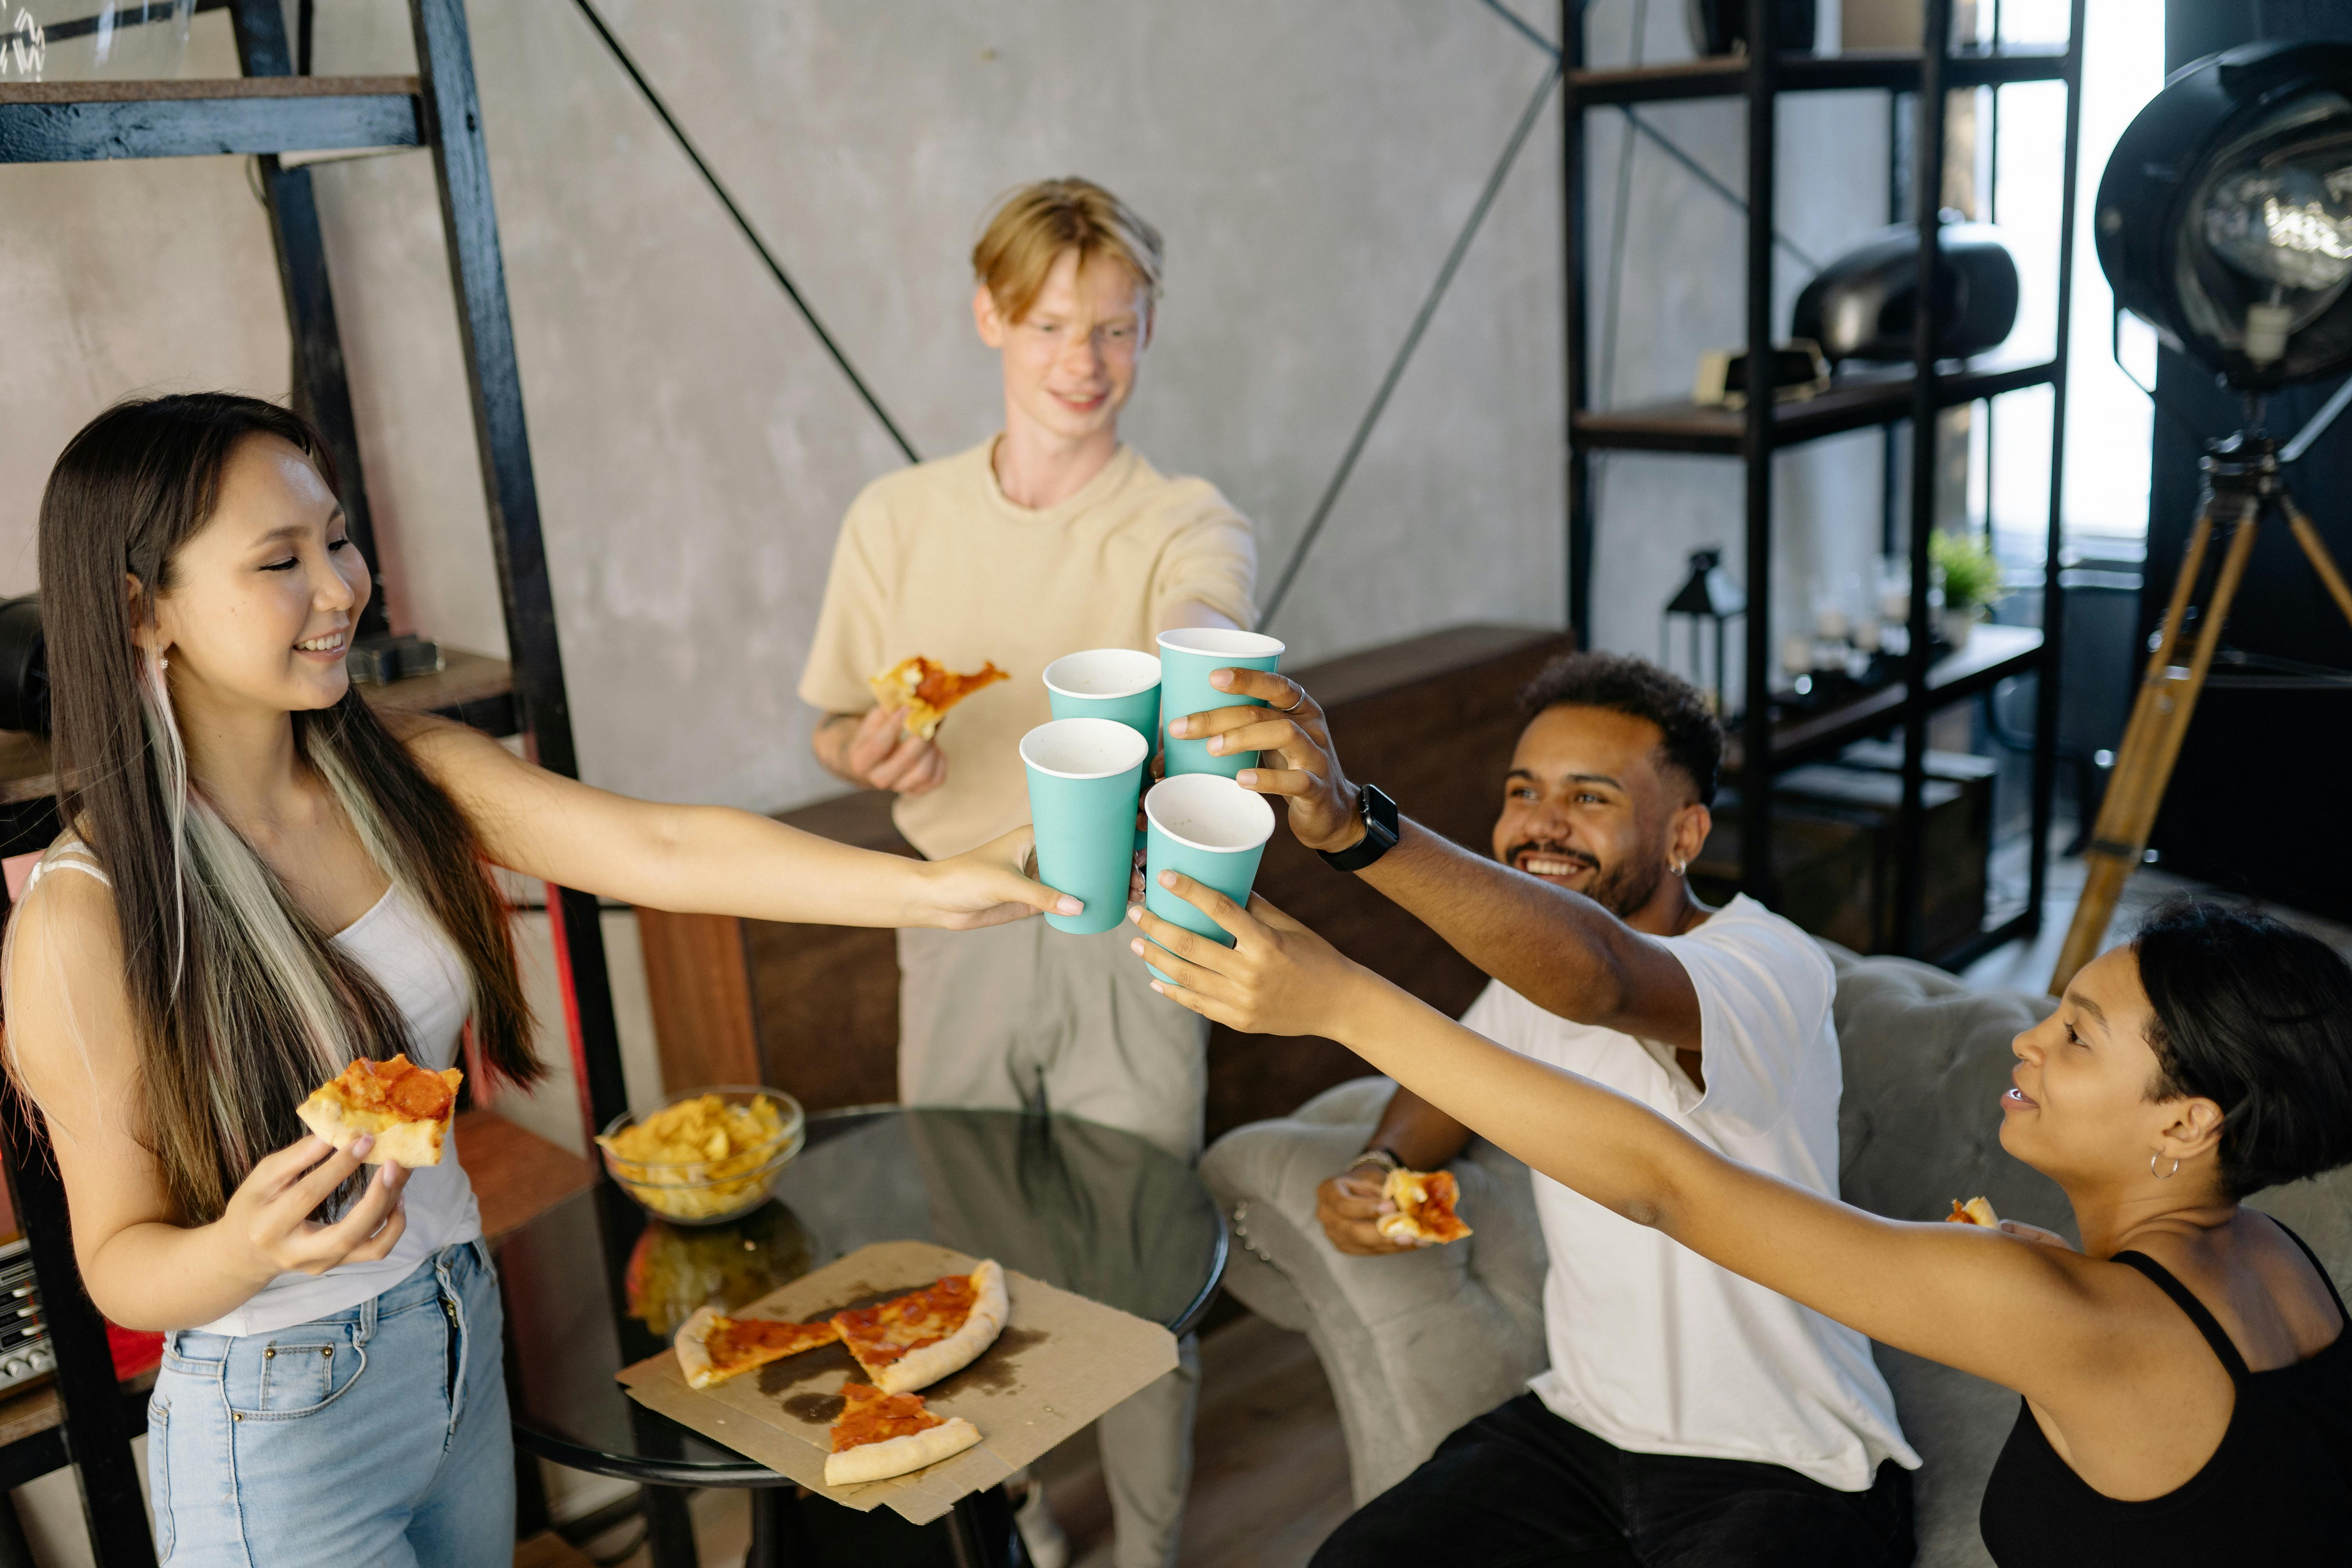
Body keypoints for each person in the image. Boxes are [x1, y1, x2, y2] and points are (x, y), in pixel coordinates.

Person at [5, 394, 1080, 1566]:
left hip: (458, 1341)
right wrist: (250, 1246)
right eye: (281, 561)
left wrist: (935, 888)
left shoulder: (396, 771)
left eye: (339, 540)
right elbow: (118, 1265)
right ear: (142, 610)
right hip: (274, 1423)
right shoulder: (84, 916)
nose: (341, 588)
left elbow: (664, 848)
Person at [1136, 866, 2352, 1556]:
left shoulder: (2074, 1316)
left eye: (2077, 1036)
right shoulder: (2274, 1262)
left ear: (2190, 1124)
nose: (2029, 1040)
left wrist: (1341, 1001)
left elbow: (1668, 1186)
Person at [1169, 651, 1917, 1564]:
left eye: (1590, 796)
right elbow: (1440, 1087)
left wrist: (1356, 826)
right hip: (1578, 1431)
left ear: (1685, 833)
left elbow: (1600, 978)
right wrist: (1383, 1166)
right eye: (1523, 790)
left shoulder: (1768, 963)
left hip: (1788, 1457)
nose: (1541, 822)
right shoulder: (1525, 983)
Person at [797, 176, 1254, 1568]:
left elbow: (1205, 623)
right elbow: (835, 720)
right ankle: (1028, 1525)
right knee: (974, 1260)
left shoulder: (1185, 517)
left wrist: (1198, 660)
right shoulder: (896, 518)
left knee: (1143, 1257)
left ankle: (1151, 1551)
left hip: (1135, 930)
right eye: (1053, 325)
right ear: (990, 317)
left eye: (1115, 328)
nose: (1084, 362)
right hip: (955, 927)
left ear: (1149, 328)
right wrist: (869, 749)